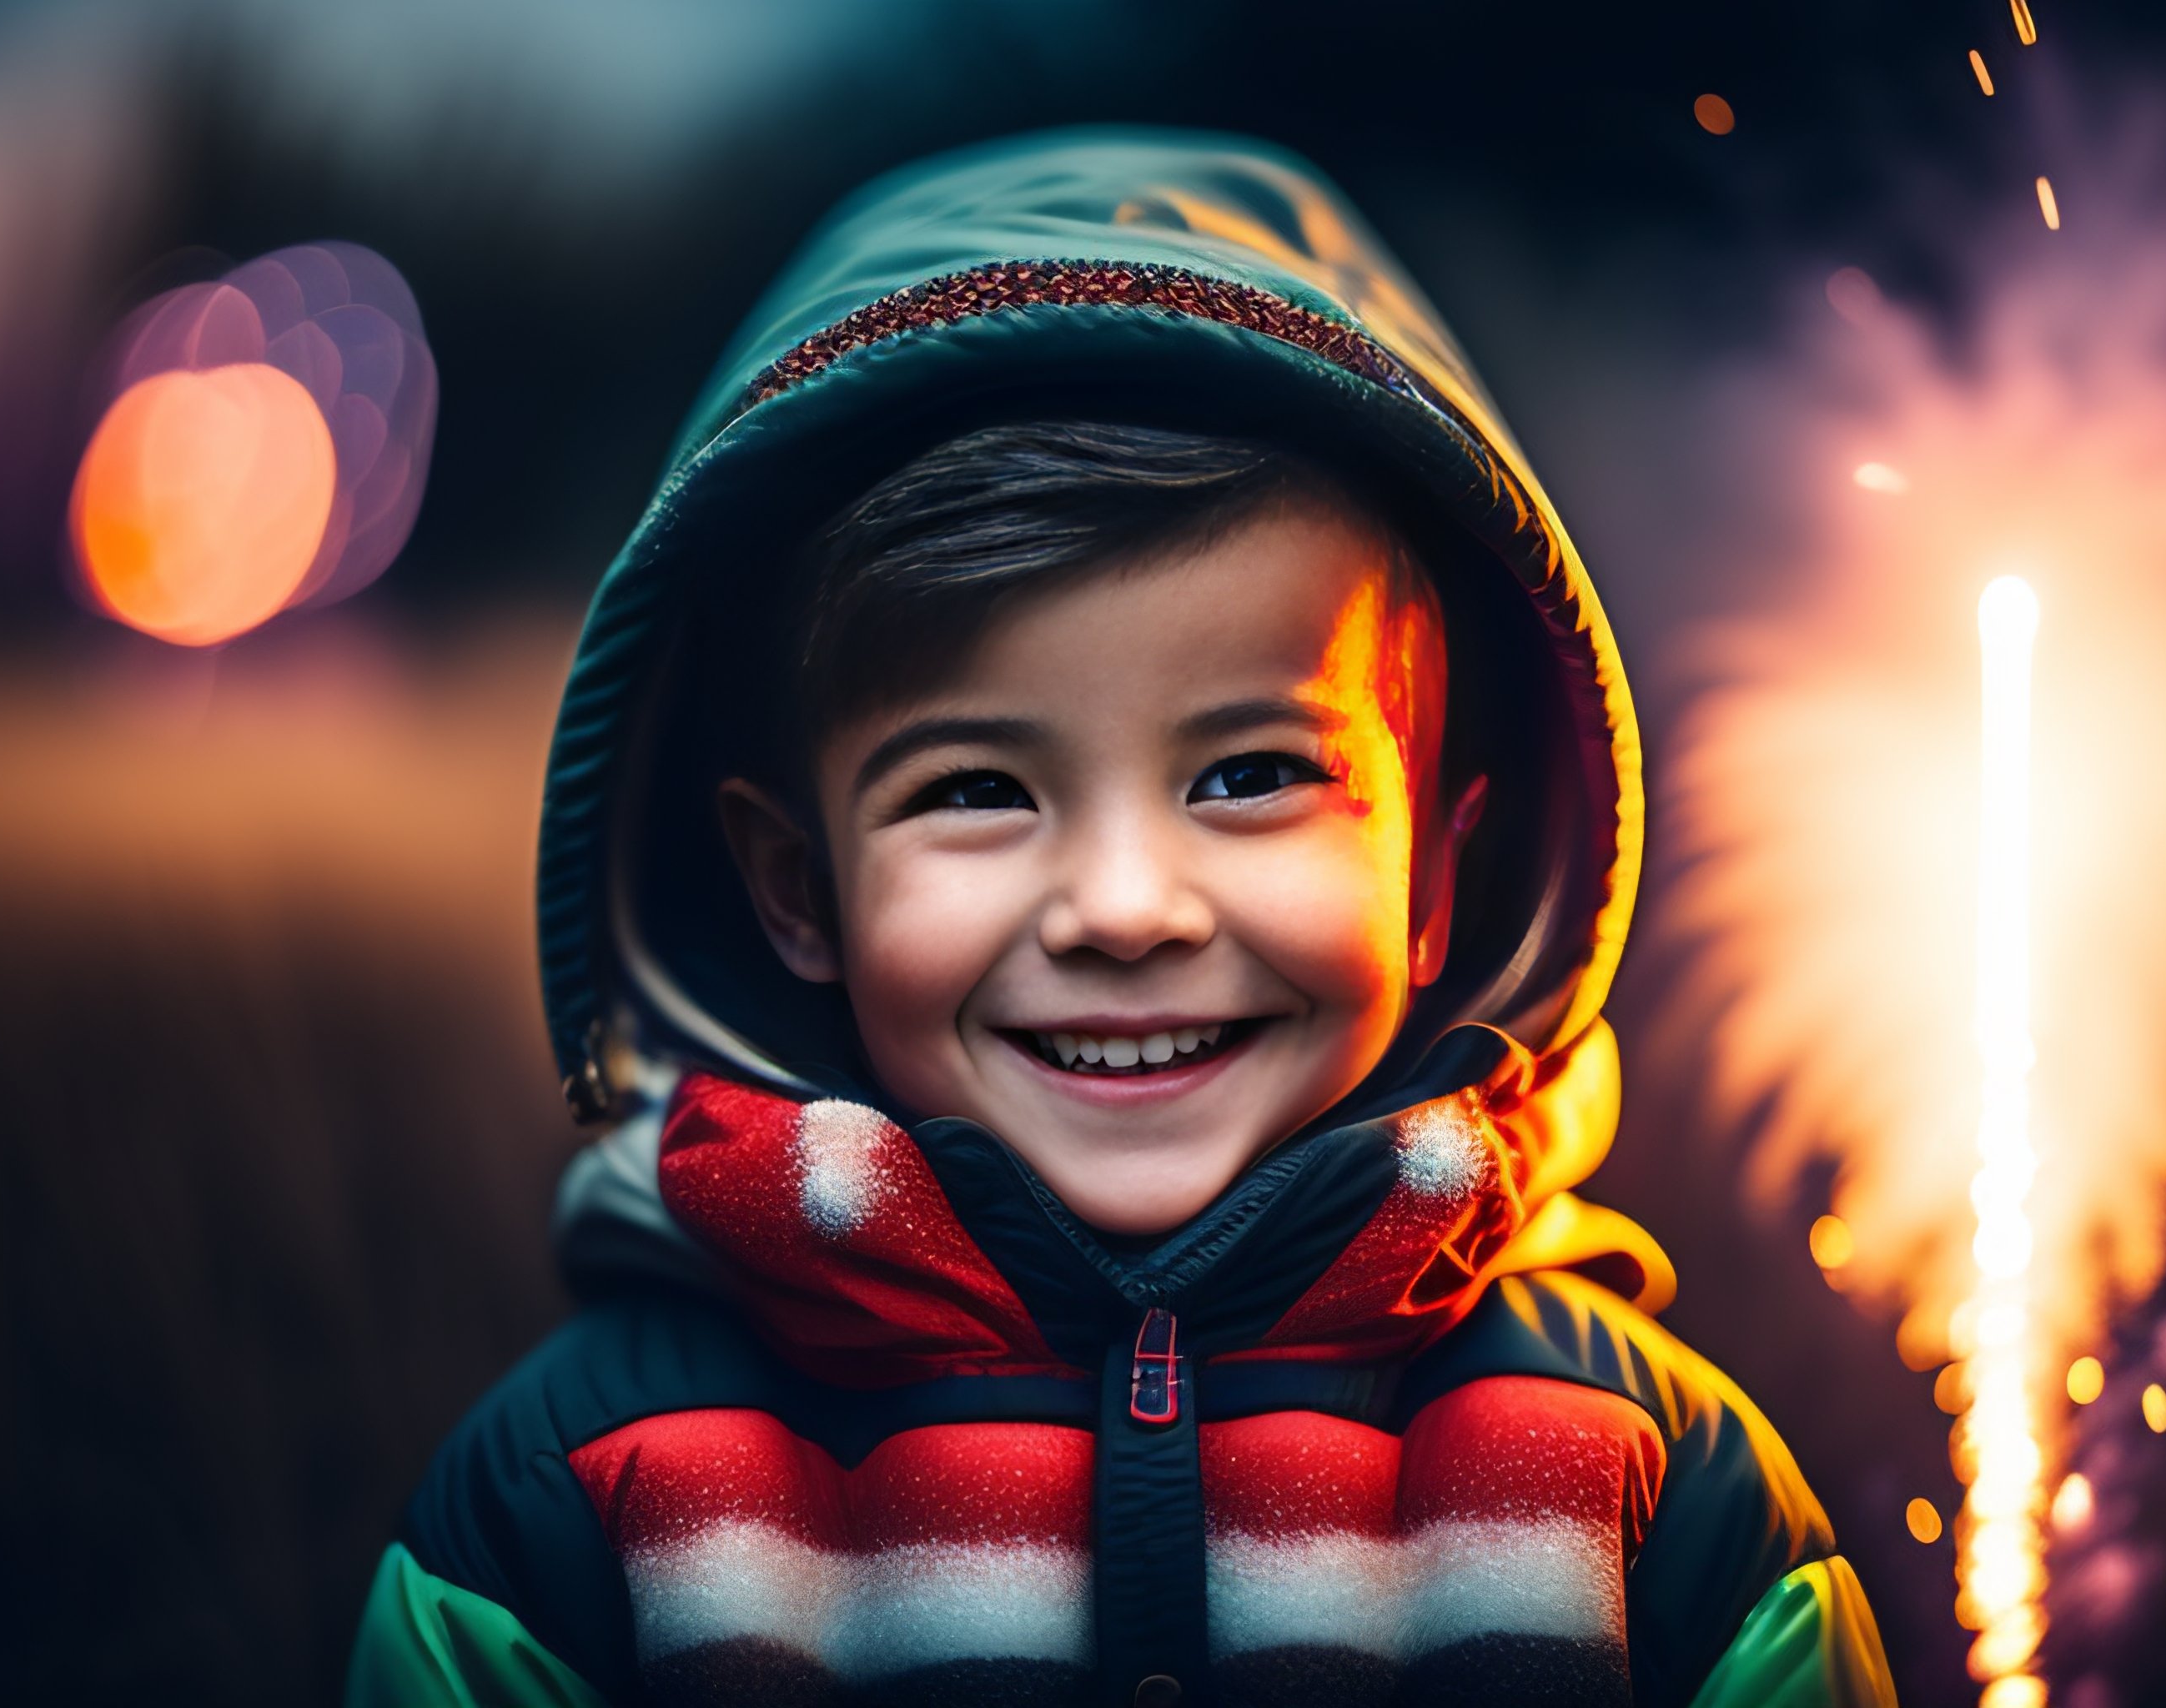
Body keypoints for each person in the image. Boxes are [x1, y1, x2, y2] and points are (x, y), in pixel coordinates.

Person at [345, 128, 1898, 1708]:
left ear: (1436, 883)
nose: (1126, 909)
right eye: (975, 790)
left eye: (1250, 775)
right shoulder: (568, 1511)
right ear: (799, 891)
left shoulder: (1660, 1499)